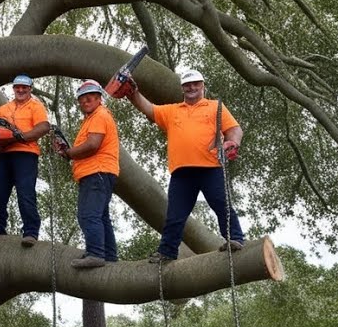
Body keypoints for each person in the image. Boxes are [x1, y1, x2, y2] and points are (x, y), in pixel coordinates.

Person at [122, 69, 245, 262]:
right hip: (182, 173)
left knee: (222, 204)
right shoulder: (172, 110)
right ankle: (167, 252)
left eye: (196, 84)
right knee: (175, 215)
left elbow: (234, 129)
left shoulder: (215, 107)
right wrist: (133, 92)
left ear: (203, 86)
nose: (192, 87)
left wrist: (233, 143)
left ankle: (235, 239)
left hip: (210, 168)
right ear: (182, 89)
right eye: (187, 85)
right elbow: (149, 108)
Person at [0, 74, 51, 247]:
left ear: (30, 89)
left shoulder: (35, 106)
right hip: (5, 155)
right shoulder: (4, 109)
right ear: (14, 88)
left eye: (25, 87)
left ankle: (31, 231)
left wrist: (20, 136)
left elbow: (44, 127)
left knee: (25, 193)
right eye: (18, 87)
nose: (21, 90)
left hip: (26, 154)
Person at [54, 79, 119, 269]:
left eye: (90, 96)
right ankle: (108, 254)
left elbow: (92, 145)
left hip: (97, 171)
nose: (85, 101)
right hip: (98, 173)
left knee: (88, 215)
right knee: (101, 216)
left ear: (99, 98)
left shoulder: (100, 115)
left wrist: (69, 153)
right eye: (82, 98)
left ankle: (96, 253)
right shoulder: (92, 118)